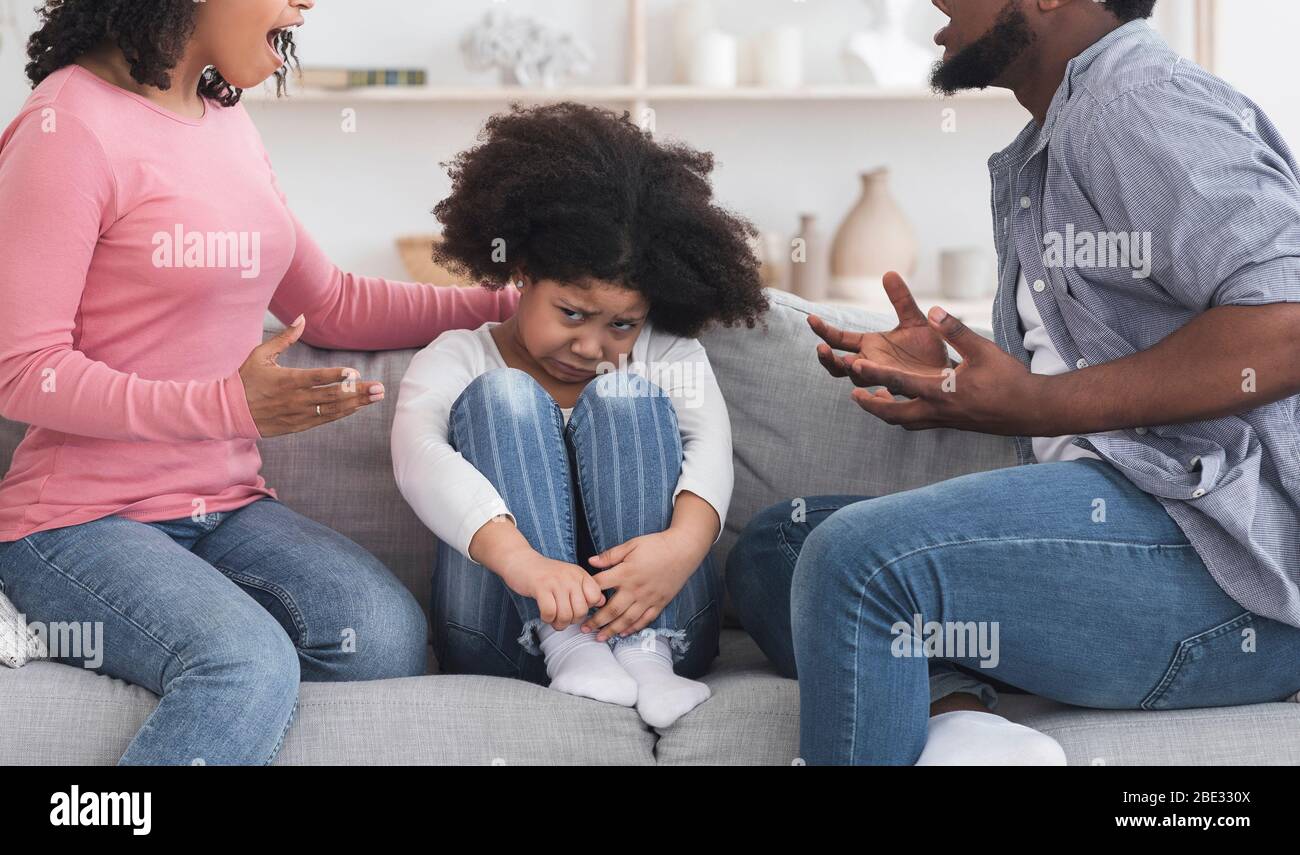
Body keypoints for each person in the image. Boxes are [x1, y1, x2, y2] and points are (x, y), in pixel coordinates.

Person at [728, 0, 1300, 765]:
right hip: (1125, 553)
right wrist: (960, 378)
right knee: (778, 545)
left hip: (1226, 582)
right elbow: (1098, 368)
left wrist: (1036, 403)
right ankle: (963, 725)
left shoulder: (1136, 103)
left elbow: (1286, 322)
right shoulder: (1057, 135)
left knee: (854, 562)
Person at [0, 0, 518, 765]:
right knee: (245, 663)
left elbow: (331, 301)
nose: (306, 4)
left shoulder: (225, 122)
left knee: (384, 637)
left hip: (225, 509)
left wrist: (509, 306)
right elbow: (22, 371)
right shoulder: (65, 127)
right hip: (77, 522)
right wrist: (223, 406)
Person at [391, 102, 768, 728]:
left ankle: (645, 656)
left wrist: (679, 548)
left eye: (622, 324)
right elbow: (417, 459)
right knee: (502, 395)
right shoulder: (457, 356)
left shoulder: (667, 352)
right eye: (571, 313)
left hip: (666, 626)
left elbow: (710, 447)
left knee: (623, 394)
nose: (593, 347)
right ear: (521, 273)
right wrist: (527, 566)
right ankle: (565, 642)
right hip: (501, 632)